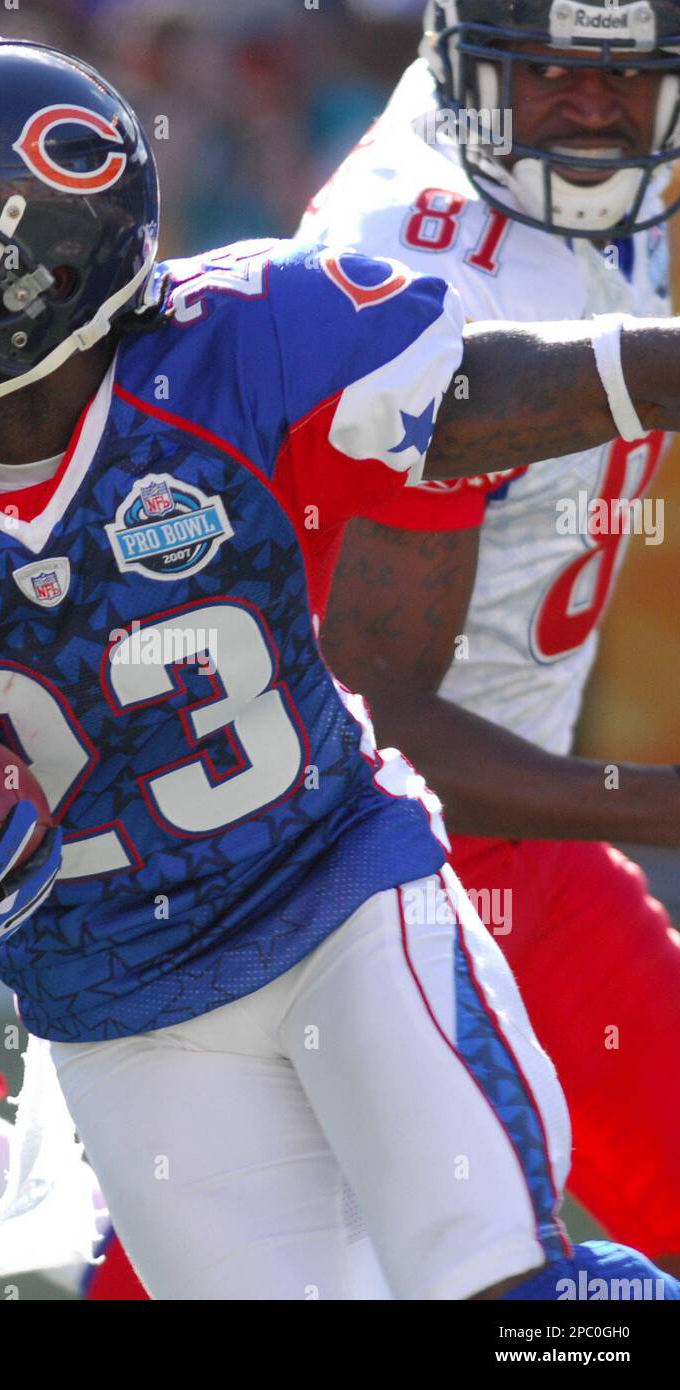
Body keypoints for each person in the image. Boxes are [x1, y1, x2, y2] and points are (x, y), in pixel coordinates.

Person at [0, 37, 680, 1300]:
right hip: (112, 998)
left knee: (504, 1293)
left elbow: (486, 388)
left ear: (40, 278)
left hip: (340, 896)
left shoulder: (241, 347)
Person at [300, 0, 680, 1277]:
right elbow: (361, 716)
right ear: (467, 73)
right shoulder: (422, 283)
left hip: (524, 831)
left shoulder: (622, 186)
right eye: (553, 70)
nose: (593, 106)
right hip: (329, 866)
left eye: (627, 75)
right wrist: (654, 799)